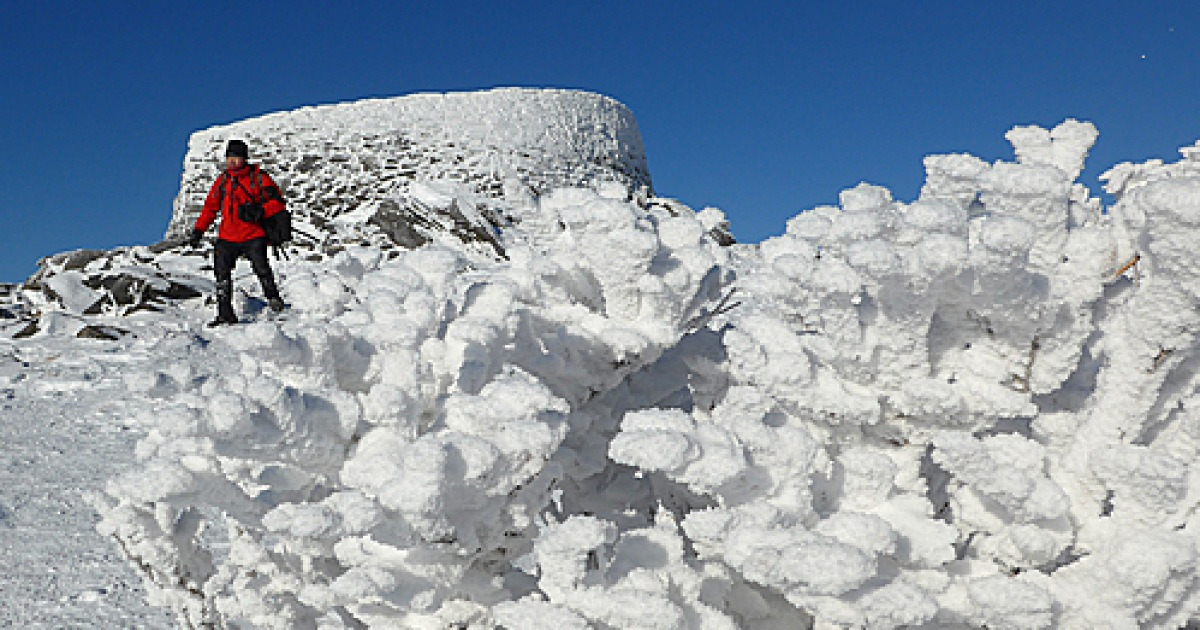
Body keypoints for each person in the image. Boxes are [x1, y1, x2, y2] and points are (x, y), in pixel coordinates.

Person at [189, 139, 287, 326]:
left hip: (253, 234)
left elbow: (278, 203)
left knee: (262, 269)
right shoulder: (223, 181)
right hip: (227, 236)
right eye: (229, 157)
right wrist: (199, 230)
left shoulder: (258, 178)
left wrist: (260, 211)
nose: (232, 161)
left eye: (236, 157)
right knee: (221, 275)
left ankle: (274, 300)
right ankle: (225, 314)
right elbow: (210, 207)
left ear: (244, 159)